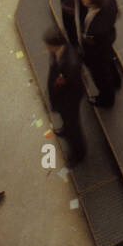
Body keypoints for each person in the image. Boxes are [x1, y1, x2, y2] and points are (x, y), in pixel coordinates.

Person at [45, 32, 86, 168]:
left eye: (48, 45)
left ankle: (78, 153)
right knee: (67, 122)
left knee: (73, 126)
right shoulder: (57, 53)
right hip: (61, 97)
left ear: (56, 45)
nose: (46, 48)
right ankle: (65, 129)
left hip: (69, 100)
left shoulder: (71, 64)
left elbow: (74, 86)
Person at [79, 0, 121, 109]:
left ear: (91, 3)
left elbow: (90, 41)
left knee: (101, 77)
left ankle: (106, 100)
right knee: (110, 61)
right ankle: (116, 81)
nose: (82, 1)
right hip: (108, 40)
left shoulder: (95, 29)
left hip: (98, 52)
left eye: (84, 0)